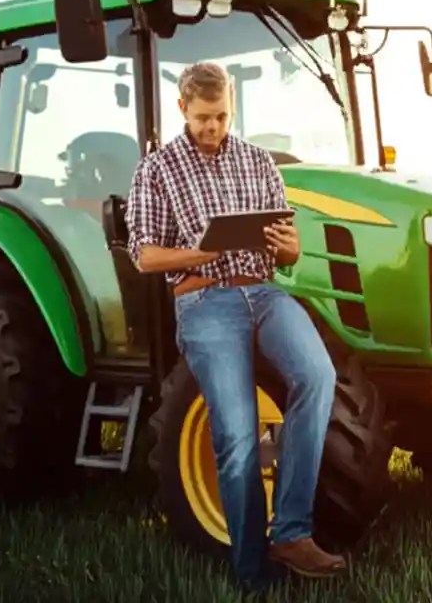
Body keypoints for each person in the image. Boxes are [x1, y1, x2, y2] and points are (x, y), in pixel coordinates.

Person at [125, 61, 346, 589]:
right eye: (203, 117)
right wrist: (202, 250)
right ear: (182, 109)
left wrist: (288, 248)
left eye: (221, 116)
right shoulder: (156, 171)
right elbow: (144, 256)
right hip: (204, 300)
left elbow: (288, 249)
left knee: (317, 377)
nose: (212, 126)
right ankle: (253, 570)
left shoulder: (258, 163)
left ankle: (292, 532)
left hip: (265, 292)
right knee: (238, 434)